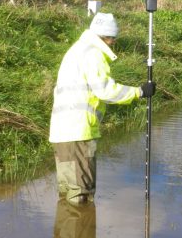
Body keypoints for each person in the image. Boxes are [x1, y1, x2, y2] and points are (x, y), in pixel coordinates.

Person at [49, 12, 155, 203]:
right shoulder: (94, 54)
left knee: (67, 194)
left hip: (62, 132)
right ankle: (82, 232)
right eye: (112, 38)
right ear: (107, 37)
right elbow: (105, 91)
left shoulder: (77, 49)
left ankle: (70, 231)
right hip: (79, 133)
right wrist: (139, 92)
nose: (113, 43)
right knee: (81, 193)